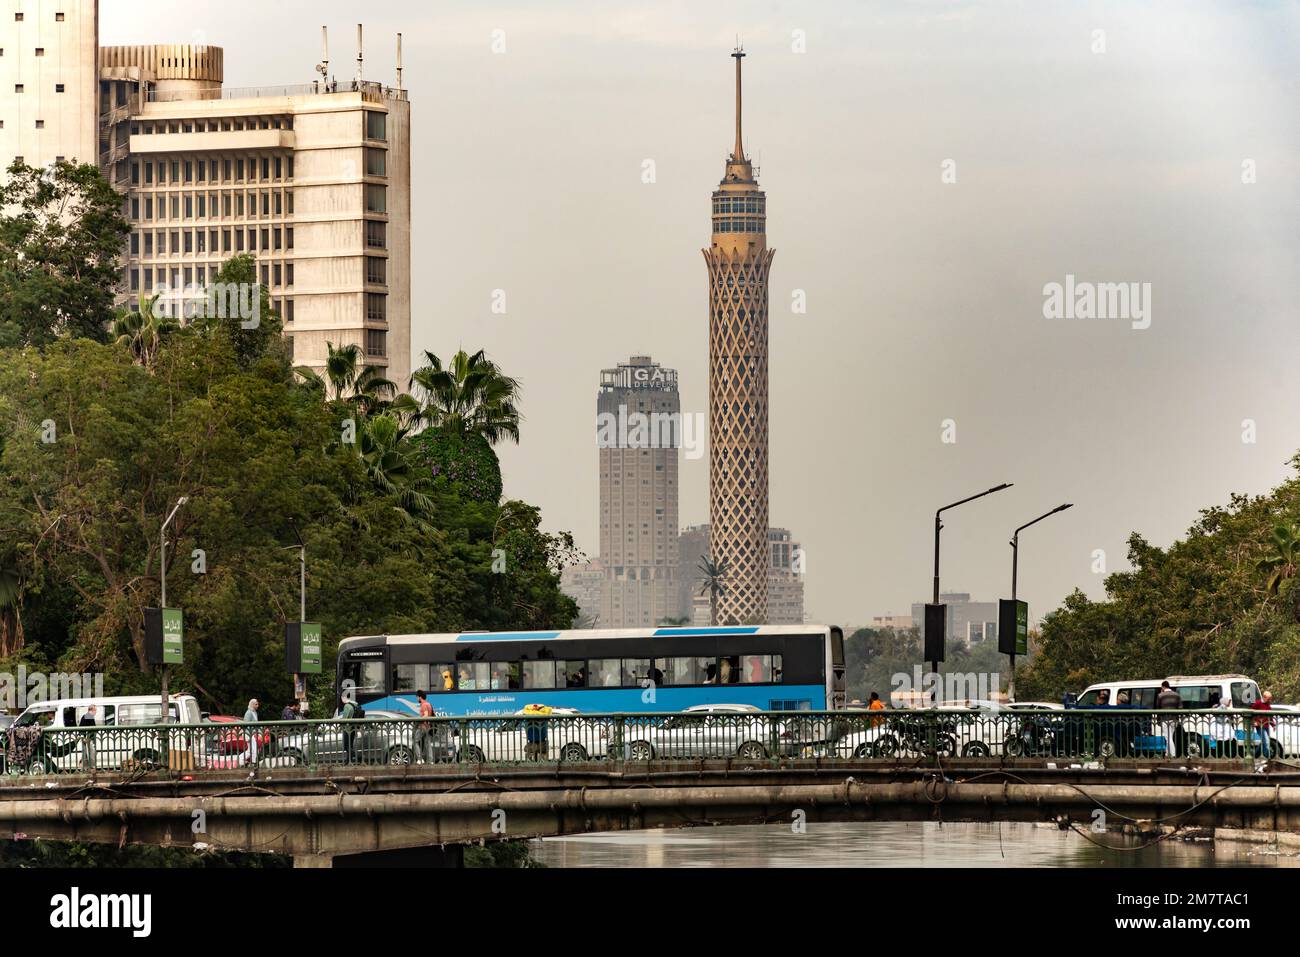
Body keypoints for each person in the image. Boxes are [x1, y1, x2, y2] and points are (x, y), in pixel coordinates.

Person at [1156, 682, 1182, 757]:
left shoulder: (1160, 696)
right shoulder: (1177, 695)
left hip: (1165, 719)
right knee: (1170, 737)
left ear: (1163, 687)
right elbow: (1180, 708)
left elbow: (1158, 709)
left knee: (1168, 738)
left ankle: (1173, 755)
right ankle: (1167, 754)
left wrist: (1158, 720)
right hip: (1174, 719)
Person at [1211, 692, 1237, 757]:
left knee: (1223, 741)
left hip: (1223, 727)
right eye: (1229, 702)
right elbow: (1220, 718)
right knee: (1223, 741)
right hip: (1221, 727)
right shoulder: (1222, 708)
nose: (1230, 703)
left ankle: (1222, 754)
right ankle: (1224, 754)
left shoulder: (1222, 707)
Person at [1252, 690, 1275, 759]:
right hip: (1260, 726)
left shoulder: (1268, 704)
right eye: (1269, 698)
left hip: (1266, 725)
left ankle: (1254, 755)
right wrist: (1254, 722)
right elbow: (1251, 712)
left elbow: (1269, 716)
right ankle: (1267, 758)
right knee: (1267, 742)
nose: (1270, 700)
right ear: (1264, 697)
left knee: (1264, 742)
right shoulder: (1258, 703)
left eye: (1270, 698)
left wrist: (1273, 725)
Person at [414, 689, 435, 764]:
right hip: (428, 727)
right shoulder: (429, 704)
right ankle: (431, 760)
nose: (416, 699)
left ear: (420, 697)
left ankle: (420, 759)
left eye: (416, 697)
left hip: (423, 727)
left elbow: (425, 715)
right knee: (428, 744)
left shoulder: (423, 705)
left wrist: (418, 720)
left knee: (415, 741)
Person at [338, 695, 359, 763]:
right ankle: (348, 761)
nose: (341, 700)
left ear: (345, 698)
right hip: (353, 727)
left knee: (346, 746)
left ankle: (358, 756)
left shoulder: (347, 706)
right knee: (350, 745)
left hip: (347, 728)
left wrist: (339, 724)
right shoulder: (355, 704)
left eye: (342, 698)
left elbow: (345, 718)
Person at [79, 705, 97, 771]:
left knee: (85, 753)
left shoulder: (86, 716)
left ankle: (84, 767)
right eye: (95, 710)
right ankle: (92, 767)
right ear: (92, 710)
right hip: (88, 738)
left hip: (86, 737)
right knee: (91, 752)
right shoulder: (89, 716)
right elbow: (92, 727)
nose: (96, 712)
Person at [243, 698, 261, 765]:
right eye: (256, 704)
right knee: (253, 749)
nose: (257, 705)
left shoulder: (255, 712)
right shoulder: (248, 713)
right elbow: (246, 724)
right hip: (248, 733)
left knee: (251, 750)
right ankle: (254, 763)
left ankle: (252, 762)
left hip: (252, 733)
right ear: (252, 705)